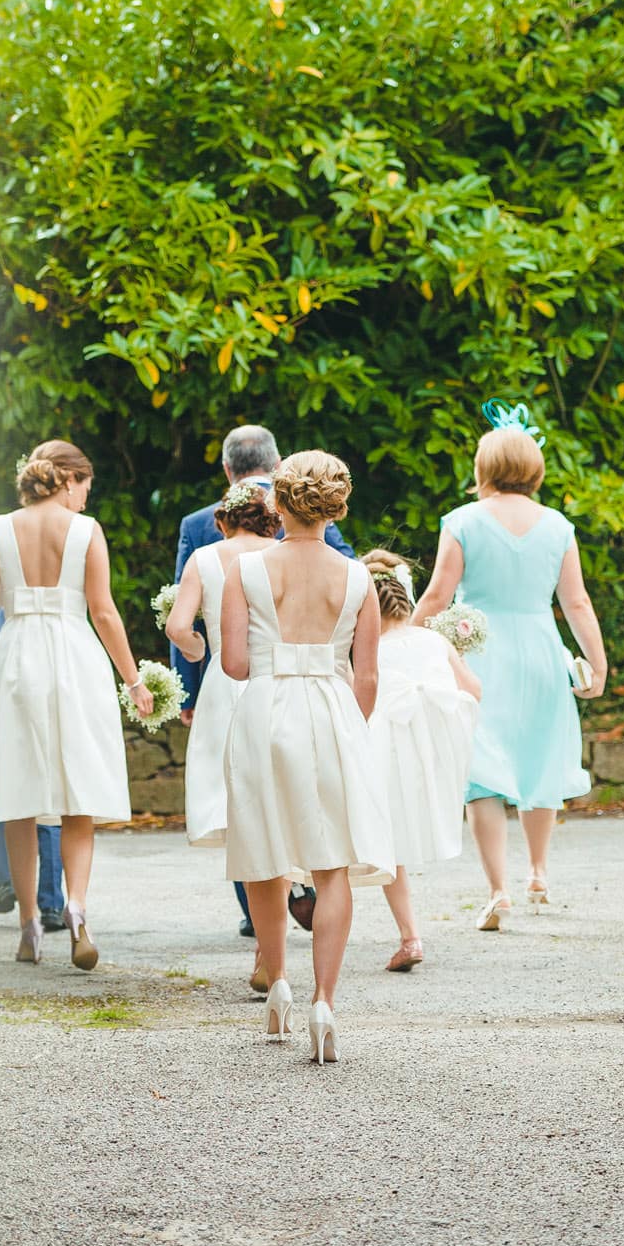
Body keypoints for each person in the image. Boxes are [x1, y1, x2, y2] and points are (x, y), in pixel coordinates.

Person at [220, 451, 390, 1062]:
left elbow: (234, 664)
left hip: (266, 709)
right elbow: (367, 675)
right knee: (332, 863)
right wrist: (348, 723)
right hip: (331, 710)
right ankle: (325, 1001)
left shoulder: (247, 570)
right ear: (337, 505)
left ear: (278, 503)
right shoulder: (360, 578)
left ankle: (279, 989)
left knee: (264, 855)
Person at [411, 417, 608, 931]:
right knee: (540, 760)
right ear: (535, 468)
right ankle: (538, 873)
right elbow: (577, 602)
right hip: (542, 653)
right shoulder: (559, 527)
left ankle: (498, 890)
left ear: (484, 468)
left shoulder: (462, 521)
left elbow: (436, 596)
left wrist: (404, 640)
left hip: (479, 654)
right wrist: (598, 661)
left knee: (482, 776)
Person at [0, 440, 154, 970]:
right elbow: (105, 612)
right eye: (87, 486)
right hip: (75, 660)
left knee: (18, 799)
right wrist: (133, 680)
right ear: (69, 480)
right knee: (78, 796)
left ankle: (29, 926)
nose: (88, 497)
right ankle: (75, 909)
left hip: (17, 659)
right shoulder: (86, 532)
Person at [172, 424, 348, 936]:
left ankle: (259, 920)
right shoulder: (313, 510)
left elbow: (179, 615)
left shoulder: (199, 528)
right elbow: (346, 581)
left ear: (226, 471)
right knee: (298, 780)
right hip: (301, 674)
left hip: (231, 679)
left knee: (239, 798)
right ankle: (298, 883)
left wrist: (188, 679)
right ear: (275, 465)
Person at [165, 479, 282, 991]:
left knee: (238, 807)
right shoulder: (284, 554)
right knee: (277, 803)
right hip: (277, 680)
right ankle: (269, 943)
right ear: (271, 520)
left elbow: (176, 626)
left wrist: (195, 650)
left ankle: (263, 932)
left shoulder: (207, 558)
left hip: (224, 683)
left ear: (222, 520)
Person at [362, 550, 480, 972]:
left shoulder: (367, 648)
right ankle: (409, 937)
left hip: (383, 751)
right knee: (391, 846)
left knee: (383, 845)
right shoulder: (435, 640)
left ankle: (410, 936)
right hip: (431, 753)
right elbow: (473, 691)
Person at [0, 607, 68, 928]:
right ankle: (44, 900)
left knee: (8, 809)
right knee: (45, 815)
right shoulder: (63, 616)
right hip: (44, 717)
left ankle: (22, 890)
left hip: (10, 718)